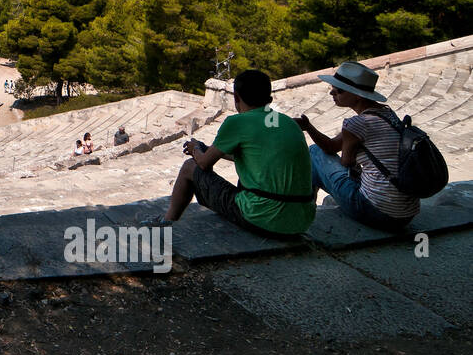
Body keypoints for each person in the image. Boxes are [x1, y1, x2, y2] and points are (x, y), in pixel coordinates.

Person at [150, 69, 314, 237]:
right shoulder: (288, 122)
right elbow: (252, 156)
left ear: (236, 98)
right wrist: (209, 149)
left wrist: (195, 149)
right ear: (269, 99)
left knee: (189, 167)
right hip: (301, 221)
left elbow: (203, 163)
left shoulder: (237, 122)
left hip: (262, 219)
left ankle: (167, 222)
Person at [296, 61, 419, 232]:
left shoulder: (356, 124)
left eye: (338, 90)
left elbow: (345, 161)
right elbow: (332, 146)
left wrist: (308, 129)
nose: (332, 93)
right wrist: (308, 127)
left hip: (376, 212)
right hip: (405, 216)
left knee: (314, 153)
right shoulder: (387, 114)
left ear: (357, 95)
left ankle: (303, 211)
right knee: (319, 156)